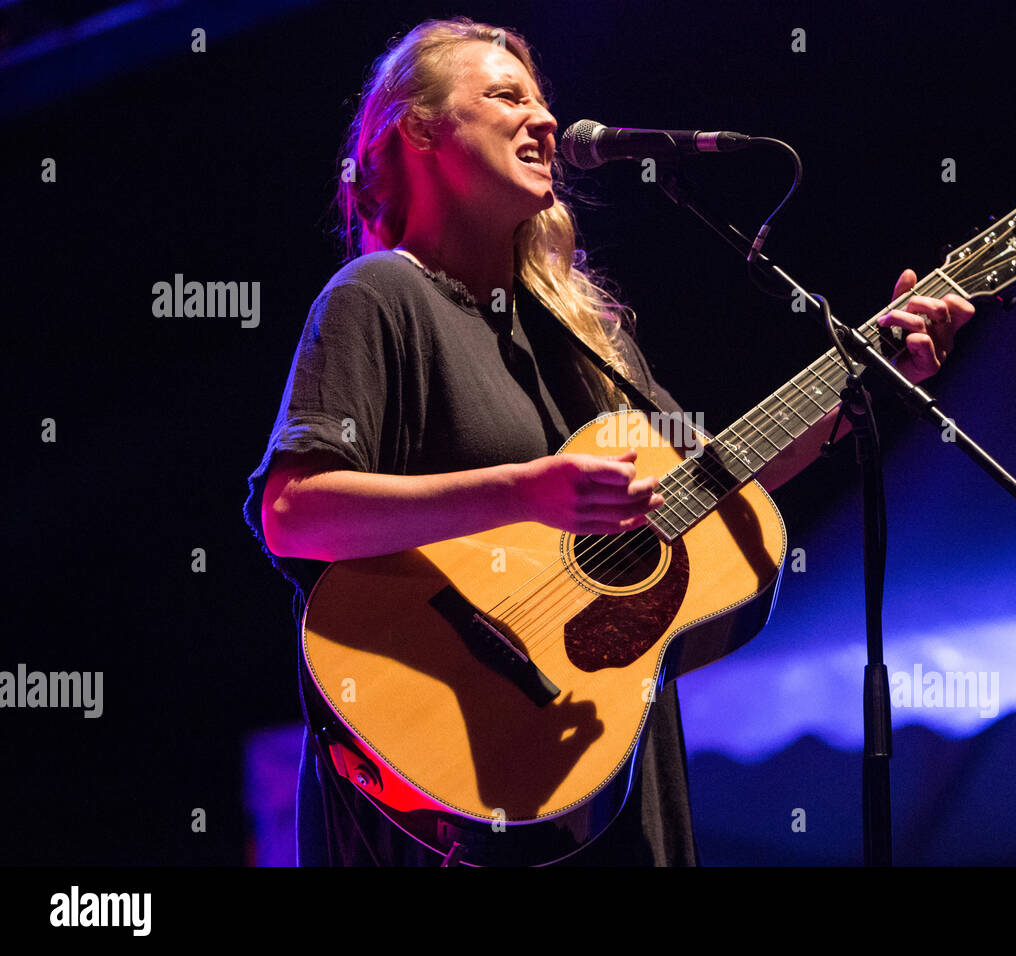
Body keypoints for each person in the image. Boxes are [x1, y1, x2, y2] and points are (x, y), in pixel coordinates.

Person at [242, 16, 972, 866]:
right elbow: (295, 514)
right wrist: (526, 492)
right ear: (421, 132)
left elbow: (713, 483)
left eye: (545, 103)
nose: (546, 122)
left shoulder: (587, 334)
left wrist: (866, 384)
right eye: (507, 97)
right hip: (451, 775)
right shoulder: (378, 297)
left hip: (606, 761)